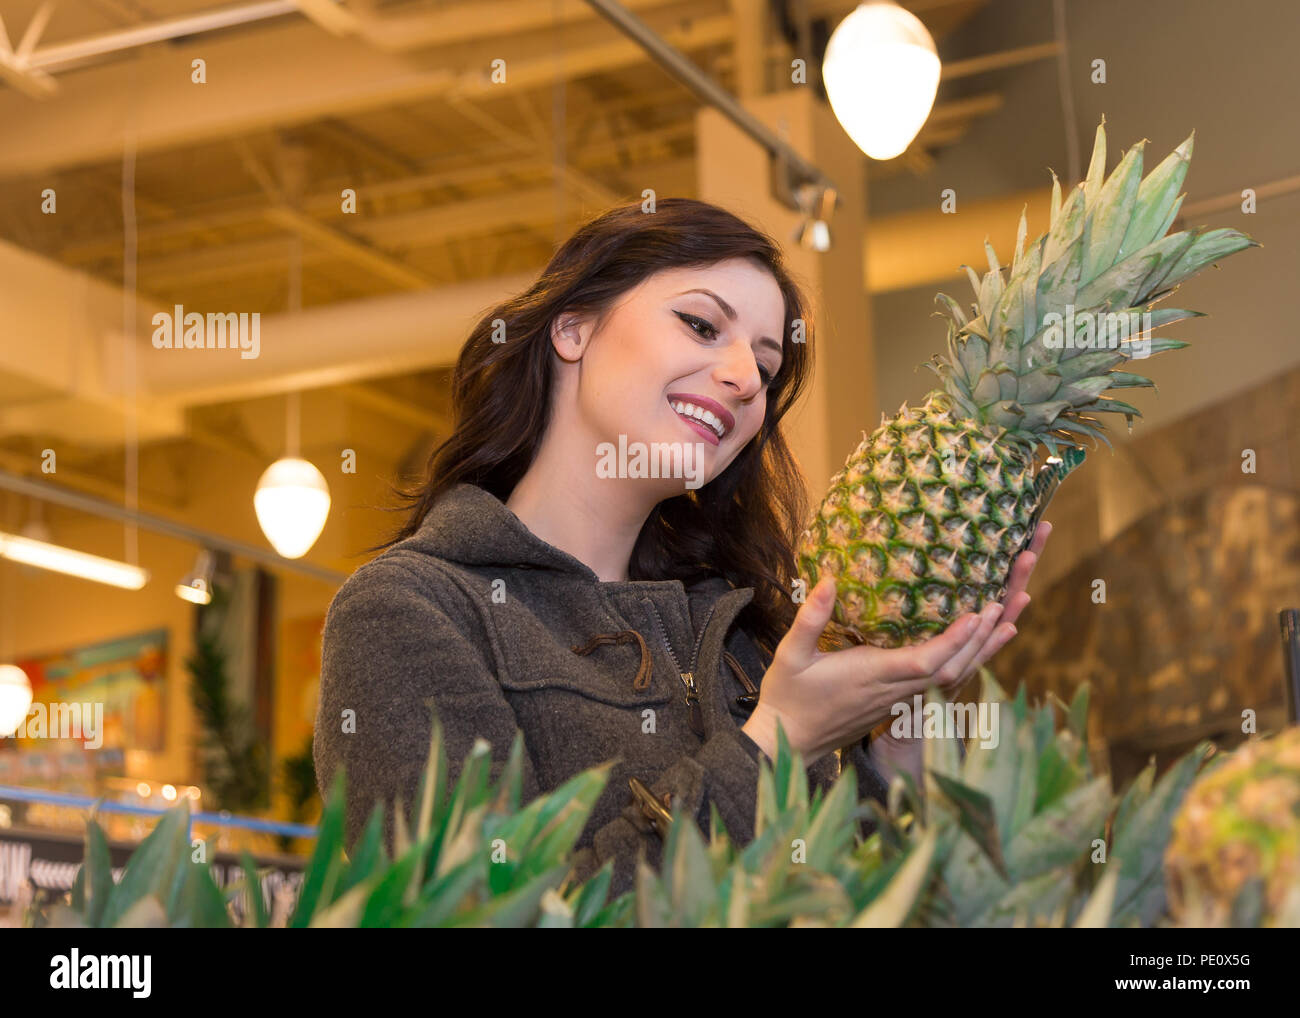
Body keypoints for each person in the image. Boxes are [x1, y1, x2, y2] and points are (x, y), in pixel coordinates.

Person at [312, 197, 1046, 900]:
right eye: (701, 325)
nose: (742, 379)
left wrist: (895, 728)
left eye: (765, 368)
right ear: (571, 330)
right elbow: (483, 913)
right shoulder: (409, 611)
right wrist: (774, 743)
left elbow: (851, 897)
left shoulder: (748, 631)